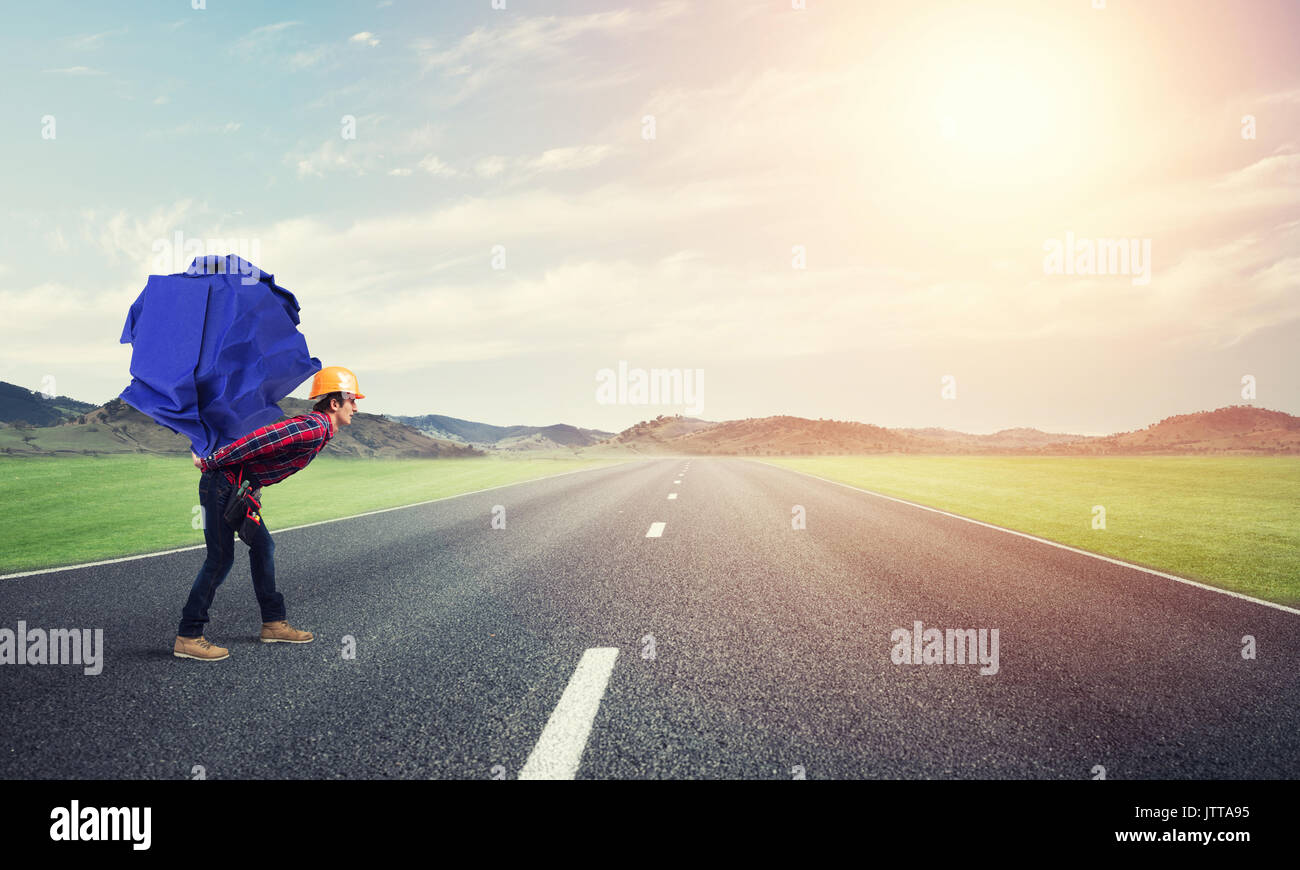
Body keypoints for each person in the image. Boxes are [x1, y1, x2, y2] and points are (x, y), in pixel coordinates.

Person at [173, 366, 365, 661]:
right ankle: (188, 635)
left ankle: (273, 624)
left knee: (264, 546)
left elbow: (264, 459)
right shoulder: (313, 427)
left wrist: (253, 491)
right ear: (335, 403)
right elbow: (261, 440)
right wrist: (212, 462)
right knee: (220, 558)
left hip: (237, 489)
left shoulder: (321, 431)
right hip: (222, 484)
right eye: (352, 399)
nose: (356, 406)